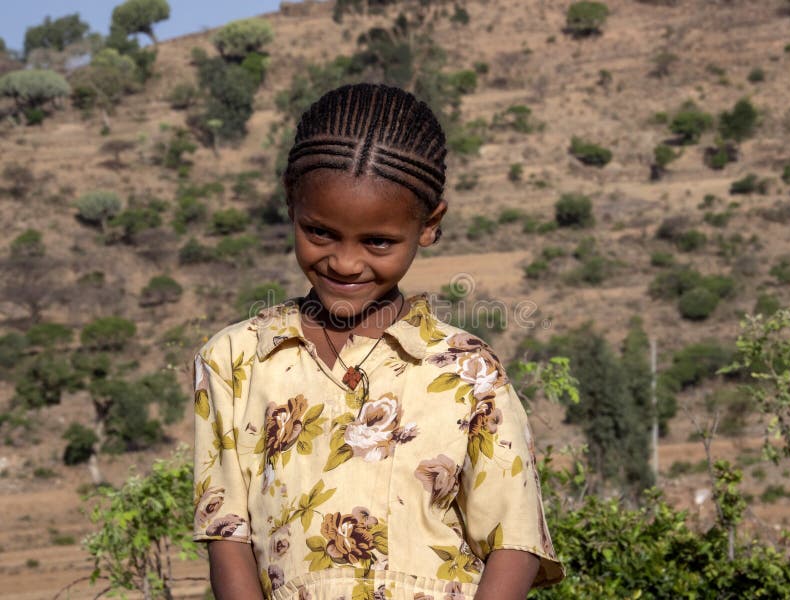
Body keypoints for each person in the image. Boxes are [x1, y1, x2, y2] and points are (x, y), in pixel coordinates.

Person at [192, 83, 564, 600]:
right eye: (319, 232)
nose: (345, 262)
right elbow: (226, 535)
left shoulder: (467, 371)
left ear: (429, 226)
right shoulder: (234, 361)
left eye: (378, 242)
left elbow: (514, 539)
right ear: (290, 203)